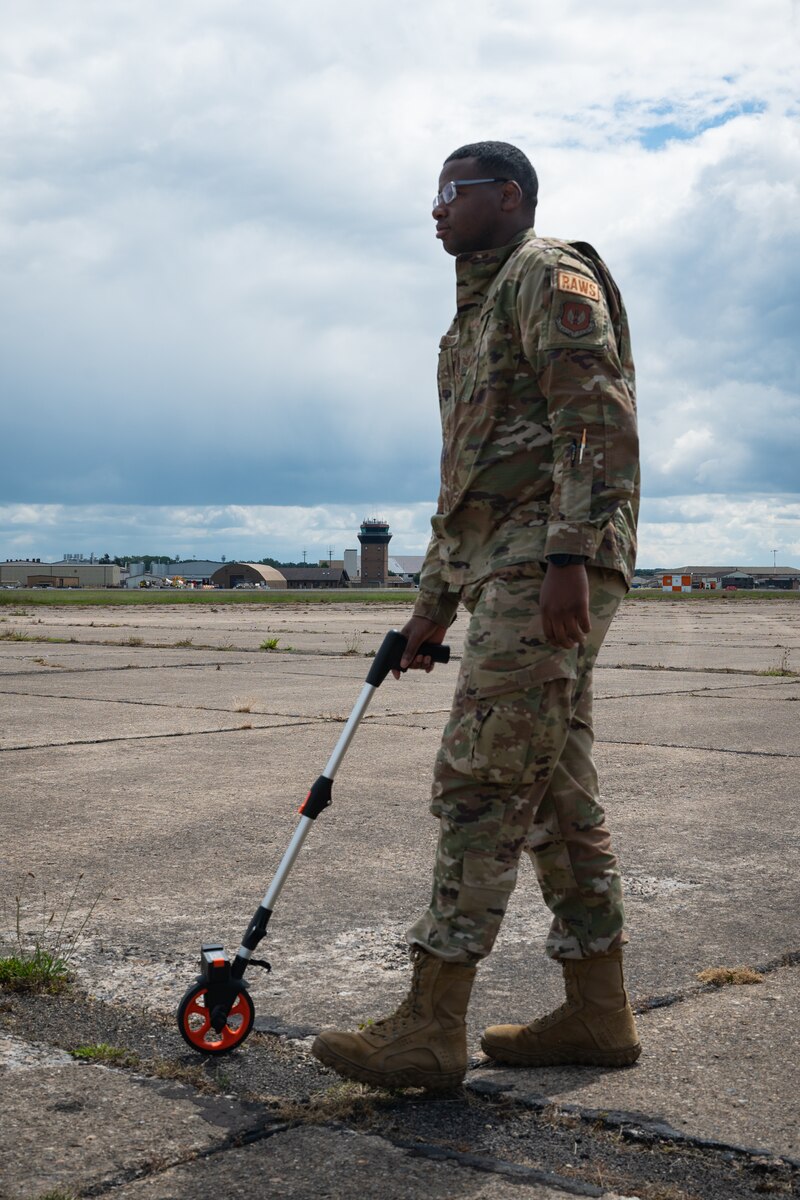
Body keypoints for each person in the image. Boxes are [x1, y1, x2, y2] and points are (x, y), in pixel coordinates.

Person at [312, 141, 641, 1091]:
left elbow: (596, 420)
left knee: (483, 778)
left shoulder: (549, 275)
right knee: (557, 794)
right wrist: (428, 608)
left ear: (509, 196)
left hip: (548, 563)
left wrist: (570, 557)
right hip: (509, 561)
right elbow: (470, 485)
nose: (436, 211)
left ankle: (431, 1024)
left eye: (451, 194)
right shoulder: (472, 319)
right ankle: (598, 1010)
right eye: (433, 197)